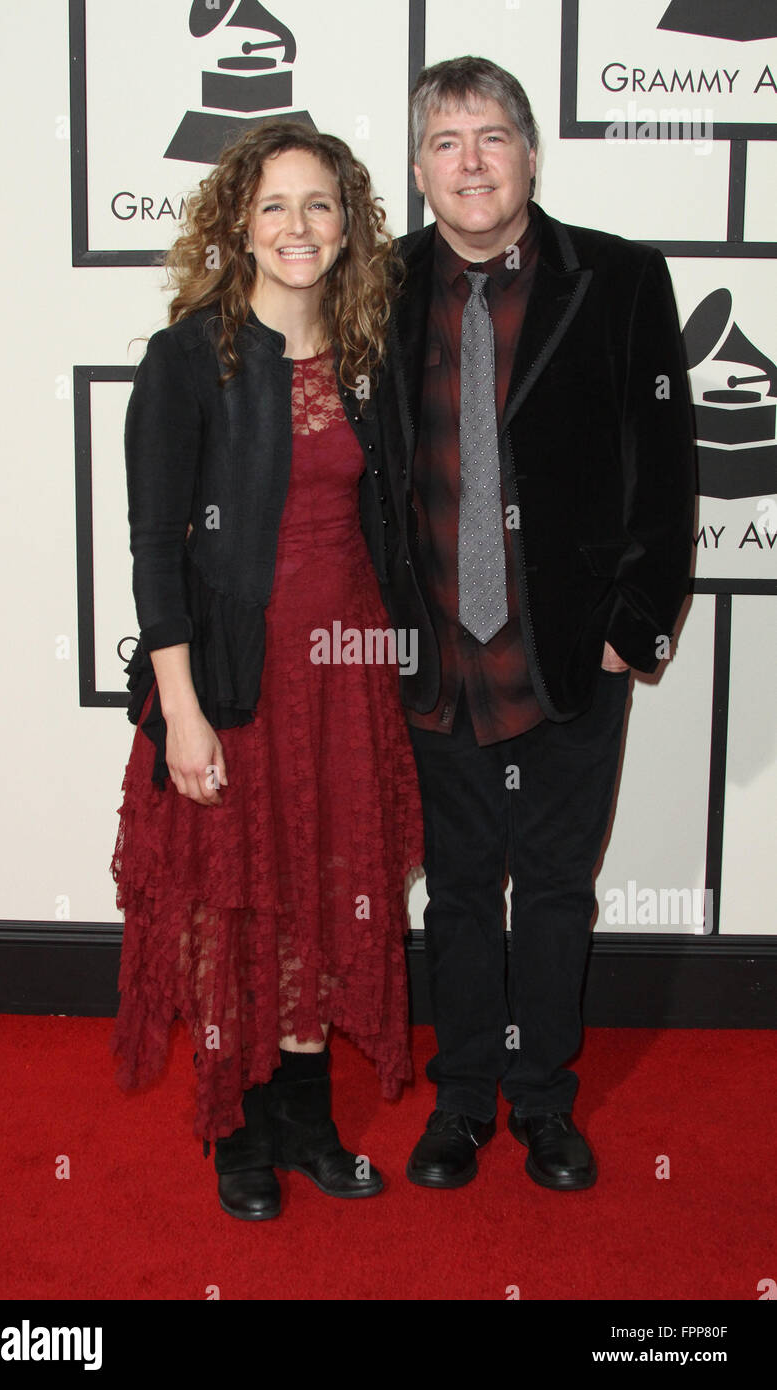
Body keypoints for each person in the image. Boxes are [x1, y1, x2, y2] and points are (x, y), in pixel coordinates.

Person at [372, 56, 696, 1190]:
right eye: (445, 142)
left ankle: (545, 1104)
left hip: (567, 647)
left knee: (557, 883)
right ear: (418, 170)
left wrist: (637, 620)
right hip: (434, 652)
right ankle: (462, 1098)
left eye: (490, 138)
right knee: (458, 885)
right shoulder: (380, 286)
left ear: (528, 154)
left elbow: (662, 465)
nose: (469, 162)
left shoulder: (615, 278)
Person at [109, 121, 424, 1220]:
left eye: (321, 205)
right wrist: (182, 712)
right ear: (238, 221)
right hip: (236, 681)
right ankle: (237, 1125)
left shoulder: (369, 352)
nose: (299, 226)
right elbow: (156, 548)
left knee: (321, 894)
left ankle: (305, 1115)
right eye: (277, 204)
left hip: (347, 677)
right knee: (234, 902)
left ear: (350, 227)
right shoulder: (189, 357)